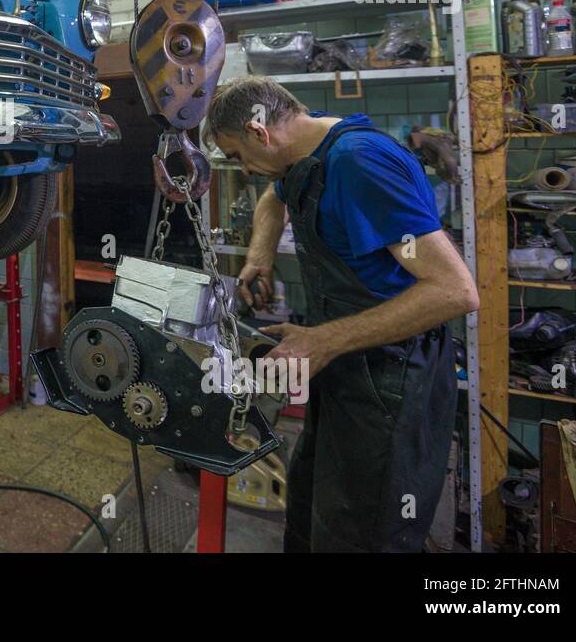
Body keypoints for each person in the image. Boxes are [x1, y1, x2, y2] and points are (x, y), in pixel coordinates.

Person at [203, 76, 478, 552]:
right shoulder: (311, 157)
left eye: (237, 155)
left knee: (363, 535)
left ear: (259, 131)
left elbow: (455, 291)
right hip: (348, 373)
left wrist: (322, 340)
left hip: (393, 380)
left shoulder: (359, 162)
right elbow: (275, 197)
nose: (244, 169)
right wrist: (259, 256)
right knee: (313, 519)